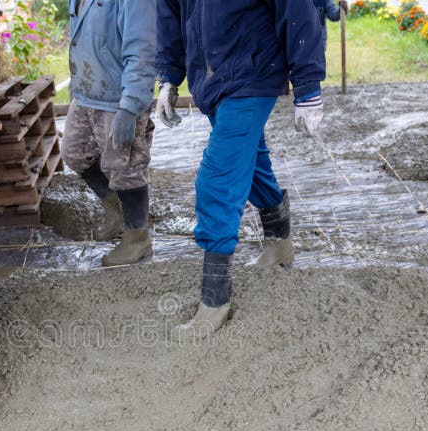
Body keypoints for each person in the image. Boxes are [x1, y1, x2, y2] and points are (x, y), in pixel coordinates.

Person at [156, 0, 326, 338]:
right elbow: (170, 13)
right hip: (212, 78)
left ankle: (215, 300)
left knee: (216, 181)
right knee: (251, 162)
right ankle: (279, 241)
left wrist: (307, 86)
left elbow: (297, 8)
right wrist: (169, 78)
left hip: (254, 73)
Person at [61, 0, 157, 266]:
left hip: (118, 99)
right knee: (74, 154)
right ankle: (114, 208)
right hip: (87, 95)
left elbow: (143, 51)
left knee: (125, 167)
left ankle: (137, 237)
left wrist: (130, 107)